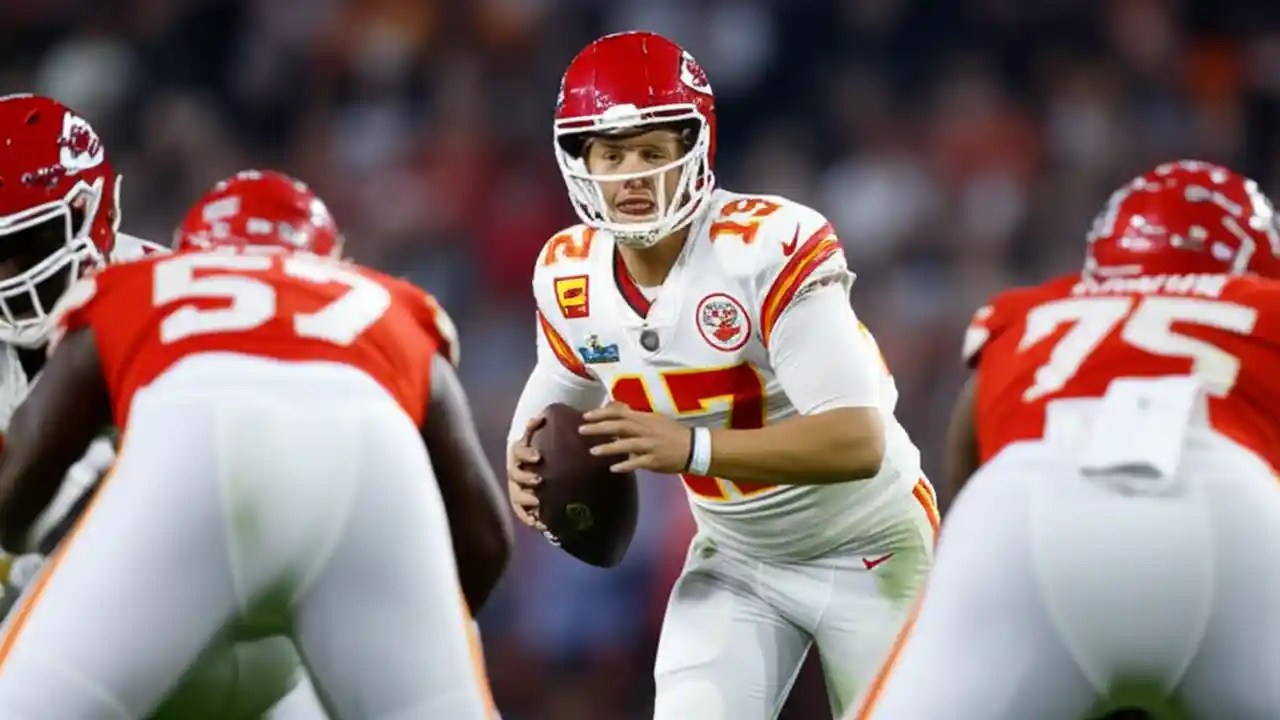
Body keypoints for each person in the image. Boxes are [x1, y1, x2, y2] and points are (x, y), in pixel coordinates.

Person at [506, 31, 938, 718]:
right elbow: (555, 396)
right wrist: (523, 466)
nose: (630, 177)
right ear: (577, 158)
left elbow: (861, 441)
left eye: (652, 152)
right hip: (738, 560)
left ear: (695, 149)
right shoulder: (568, 270)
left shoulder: (764, 247)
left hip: (870, 547)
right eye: (611, 154)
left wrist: (692, 448)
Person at [0, 169, 506, 719]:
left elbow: (16, 486)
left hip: (190, 485)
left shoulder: (138, 285)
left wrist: (56, 552)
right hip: (359, 488)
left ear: (186, 253)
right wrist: (399, 619)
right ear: (332, 260)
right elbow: (487, 542)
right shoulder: (389, 304)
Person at [856, 160, 1280, 719]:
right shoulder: (1263, 309)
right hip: (1233, 506)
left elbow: (967, 453)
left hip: (1023, 501)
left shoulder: (1037, 311)